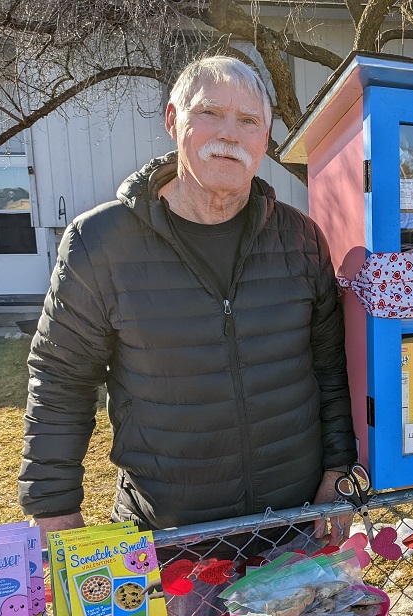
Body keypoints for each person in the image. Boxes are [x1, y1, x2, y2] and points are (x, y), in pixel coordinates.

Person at [19, 56, 356, 552]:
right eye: (210, 113)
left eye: (248, 121)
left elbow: (330, 367)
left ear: (265, 141)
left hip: (292, 529)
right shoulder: (99, 243)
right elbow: (61, 380)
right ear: (174, 120)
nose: (231, 134)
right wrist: (54, 510)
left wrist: (337, 470)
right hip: (168, 541)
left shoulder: (301, 239)